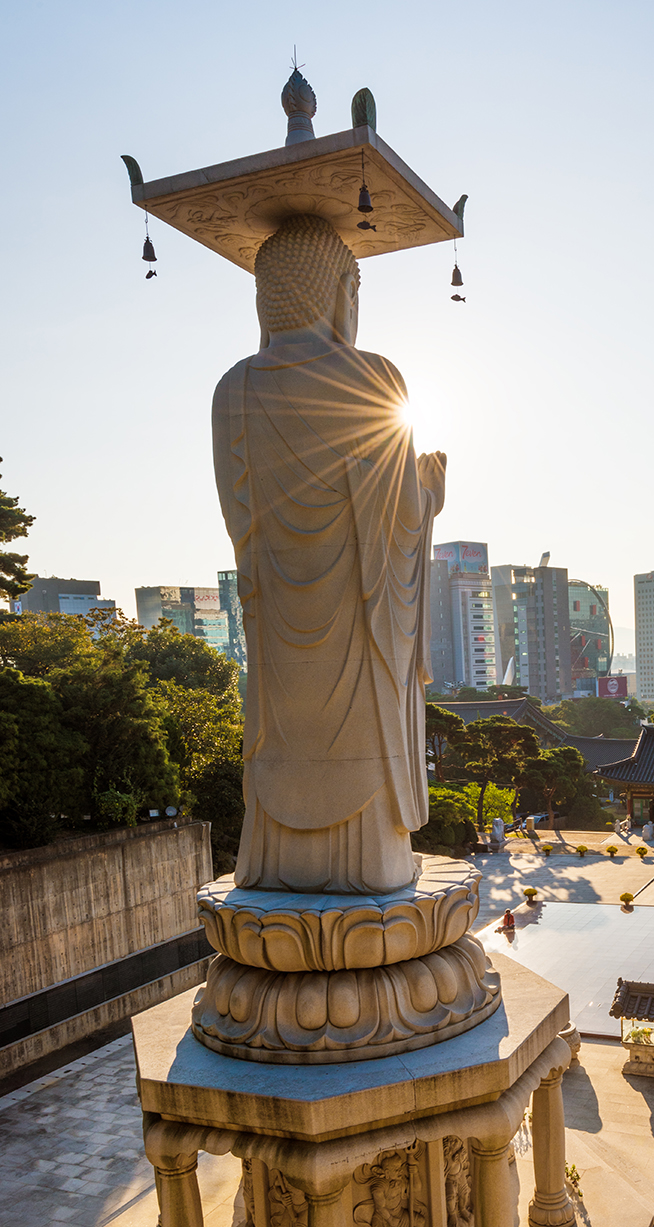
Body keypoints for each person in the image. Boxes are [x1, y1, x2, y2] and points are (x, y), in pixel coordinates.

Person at [213, 213, 447, 894]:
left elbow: (240, 519)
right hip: (357, 618)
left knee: (281, 740)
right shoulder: (373, 376)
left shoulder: (234, 389)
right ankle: (371, 864)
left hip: (276, 619)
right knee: (368, 726)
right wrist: (429, 493)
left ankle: (275, 862)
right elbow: (400, 514)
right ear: (340, 291)